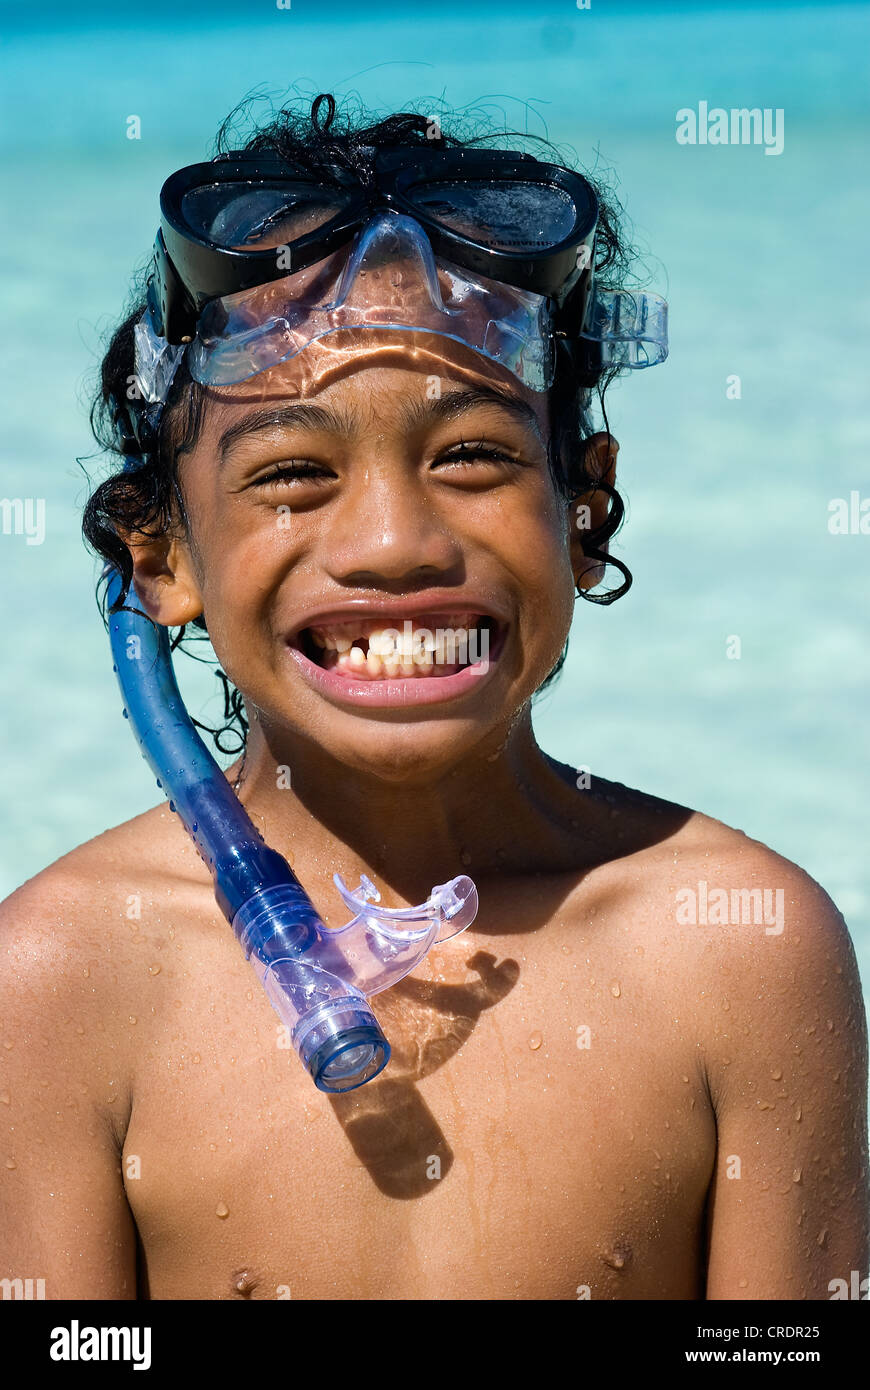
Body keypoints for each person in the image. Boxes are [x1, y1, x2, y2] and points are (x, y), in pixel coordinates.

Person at [1, 94, 866, 1301]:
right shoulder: (62, 974)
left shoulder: (734, 950)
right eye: (293, 473)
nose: (395, 542)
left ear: (583, 503)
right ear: (162, 558)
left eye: (473, 455)